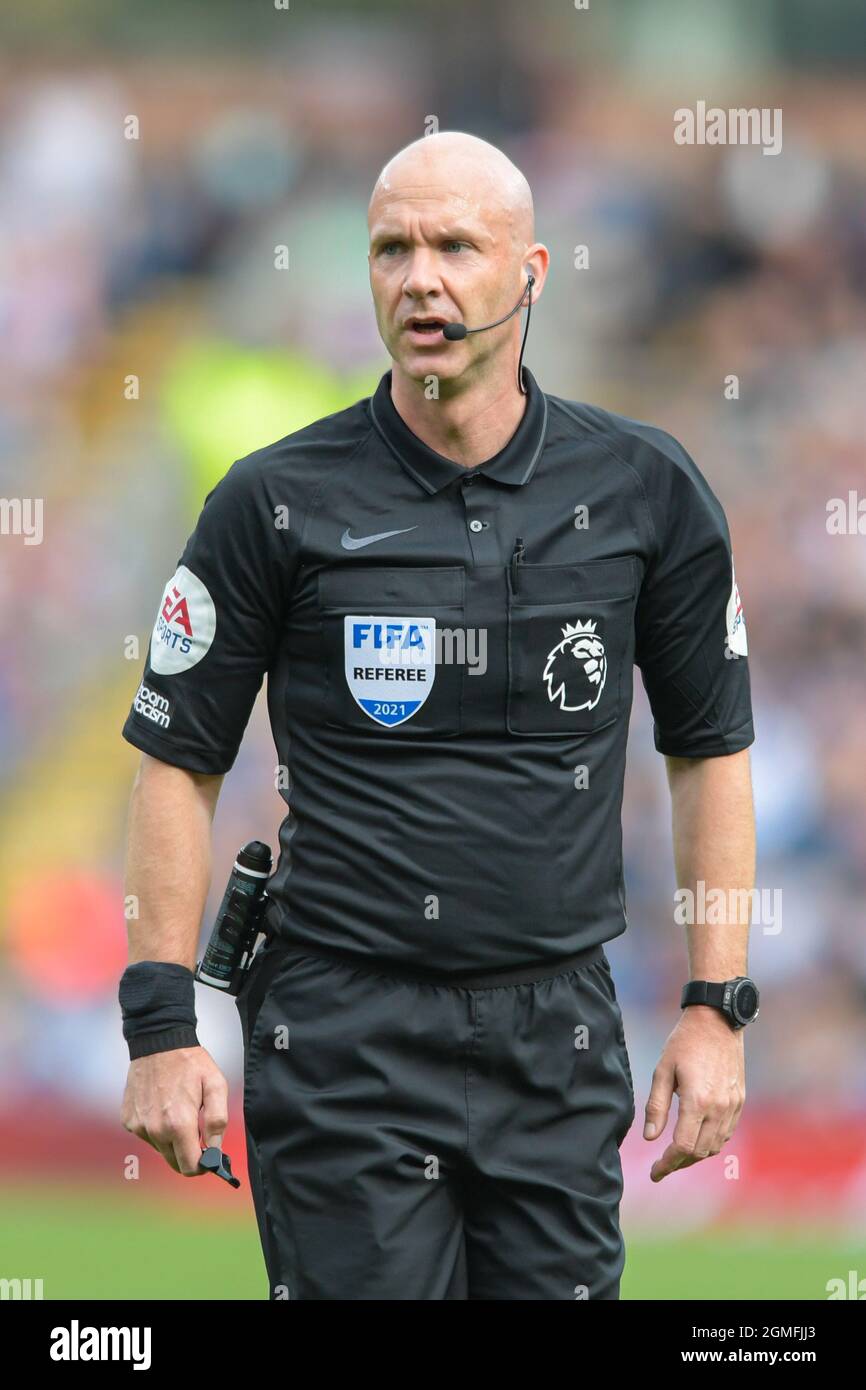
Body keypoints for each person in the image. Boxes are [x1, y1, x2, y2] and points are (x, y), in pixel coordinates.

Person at [119, 131, 757, 1301]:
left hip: (555, 1033)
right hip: (339, 1030)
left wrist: (716, 1005)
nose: (420, 278)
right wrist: (162, 1024)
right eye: (391, 249)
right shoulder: (272, 500)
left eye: (455, 246)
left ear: (530, 271)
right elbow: (177, 760)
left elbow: (708, 750)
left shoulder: (643, 490)